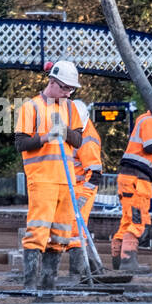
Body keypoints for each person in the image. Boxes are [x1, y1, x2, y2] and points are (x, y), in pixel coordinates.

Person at [15, 60, 85, 290]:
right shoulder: (31, 107)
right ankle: (30, 283)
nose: (67, 93)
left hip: (66, 181)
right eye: (64, 88)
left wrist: (64, 132)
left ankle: (48, 282)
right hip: (42, 178)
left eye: (71, 89)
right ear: (52, 82)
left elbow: (78, 139)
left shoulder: (70, 107)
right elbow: (21, 143)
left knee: (61, 233)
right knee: (38, 230)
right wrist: (46, 137)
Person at [111, 96, 152, 272]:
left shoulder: (145, 121)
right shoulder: (151, 120)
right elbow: (150, 147)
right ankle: (128, 262)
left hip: (129, 178)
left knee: (127, 221)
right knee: (138, 222)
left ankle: (118, 260)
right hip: (137, 181)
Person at [67, 99, 103, 279]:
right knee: (74, 228)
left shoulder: (88, 139)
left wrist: (82, 198)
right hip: (72, 187)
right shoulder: (69, 124)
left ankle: (78, 272)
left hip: (83, 189)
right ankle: (95, 269)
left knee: (75, 229)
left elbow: (95, 174)